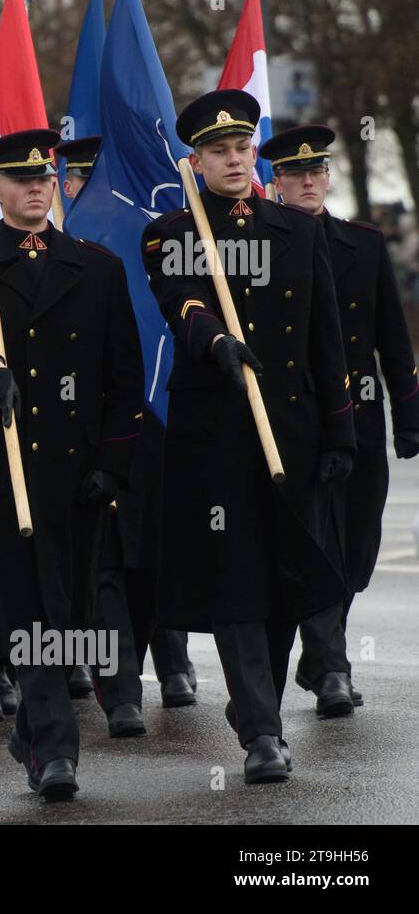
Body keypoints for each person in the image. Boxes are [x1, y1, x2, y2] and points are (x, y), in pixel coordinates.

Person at [143, 91, 355, 783]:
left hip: (290, 430)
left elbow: (328, 343)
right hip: (215, 436)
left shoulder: (299, 232)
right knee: (235, 578)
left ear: (252, 152)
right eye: (217, 151)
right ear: (196, 160)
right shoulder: (171, 232)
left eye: (241, 148)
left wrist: (339, 434)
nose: (232, 160)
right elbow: (183, 303)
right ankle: (263, 729)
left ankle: (254, 702)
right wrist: (215, 341)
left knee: (284, 577)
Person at [0, 127, 143, 801]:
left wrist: (113, 459)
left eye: (44, 178)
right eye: (21, 180)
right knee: (29, 606)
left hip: (78, 464)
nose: (36, 187)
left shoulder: (97, 266)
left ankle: (32, 724)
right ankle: (56, 751)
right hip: (4, 461)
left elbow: (123, 379)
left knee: (74, 611)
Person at [260, 123, 419, 714]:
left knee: (355, 542)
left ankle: (323, 651)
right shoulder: (262, 245)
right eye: (295, 173)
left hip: (359, 412)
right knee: (316, 540)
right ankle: (330, 665)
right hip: (295, 417)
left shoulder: (364, 242)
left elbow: (393, 341)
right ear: (274, 182)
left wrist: (408, 414)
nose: (309, 181)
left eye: (317, 171)